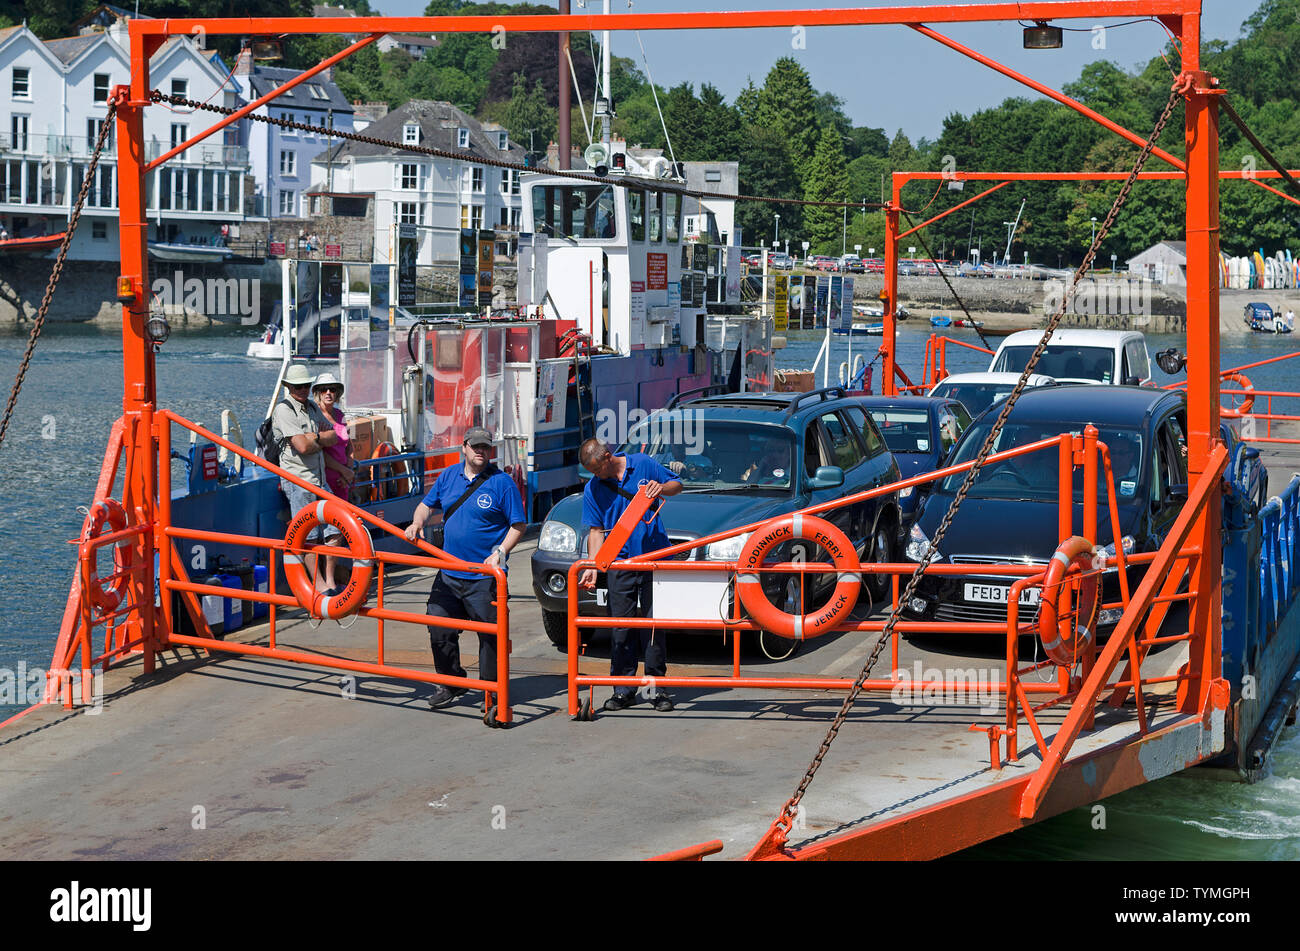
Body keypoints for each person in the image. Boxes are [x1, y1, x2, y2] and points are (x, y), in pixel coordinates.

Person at [404, 427, 525, 710]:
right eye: (476, 446)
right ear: (465, 447)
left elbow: (518, 525)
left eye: (486, 447)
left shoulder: (502, 483)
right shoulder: (448, 476)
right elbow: (425, 505)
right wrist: (417, 522)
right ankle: (451, 683)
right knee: (438, 627)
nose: (481, 451)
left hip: (485, 577)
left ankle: (493, 692)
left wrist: (500, 553)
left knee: (490, 636)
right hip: (448, 573)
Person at [576, 438, 683, 712]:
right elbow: (596, 531)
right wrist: (592, 565)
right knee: (621, 627)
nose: (596, 475)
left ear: (608, 457)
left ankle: (657, 690)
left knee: (653, 627)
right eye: (592, 471)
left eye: (598, 469)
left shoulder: (643, 464)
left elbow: (677, 485)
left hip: (654, 559)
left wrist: (662, 487)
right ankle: (623, 690)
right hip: (620, 563)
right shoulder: (594, 488)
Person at [271, 364, 344, 593]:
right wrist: (317, 440)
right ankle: (319, 586)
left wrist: (315, 438)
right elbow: (302, 446)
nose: (302, 389)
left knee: (335, 531)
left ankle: (330, 581)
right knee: (309, 536)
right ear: (289, 387)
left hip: (320, 481)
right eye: (298, 386)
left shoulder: (312, 407)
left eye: (305, 385)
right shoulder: (284, 411)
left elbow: (334, 436)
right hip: (299, 482)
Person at [312, 372, 354, 501]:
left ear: (337, 393)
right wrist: (344, 471)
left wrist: (349, 471)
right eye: (324, 389)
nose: (328, 392)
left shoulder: (340, 414)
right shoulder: (315, 417)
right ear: (318, 393)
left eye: (332, 389)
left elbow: (350, 446)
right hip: (326, 478)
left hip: (343, 479)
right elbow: (319, 451)